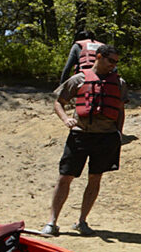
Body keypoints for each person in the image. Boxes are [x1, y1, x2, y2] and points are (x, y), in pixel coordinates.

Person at [45, 43, 128, 236]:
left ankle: (82, 221)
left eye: (116, 62)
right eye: (110, 61)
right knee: (65, 176)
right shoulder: (79, 79)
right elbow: (59, 102)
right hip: (80, 134)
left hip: (106, 137)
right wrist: (66, 119)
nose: (113, 65)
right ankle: (52, 222)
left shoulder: (119, 83)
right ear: (98, 57)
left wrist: (119, 134)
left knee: (95, 177)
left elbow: (120, 110)